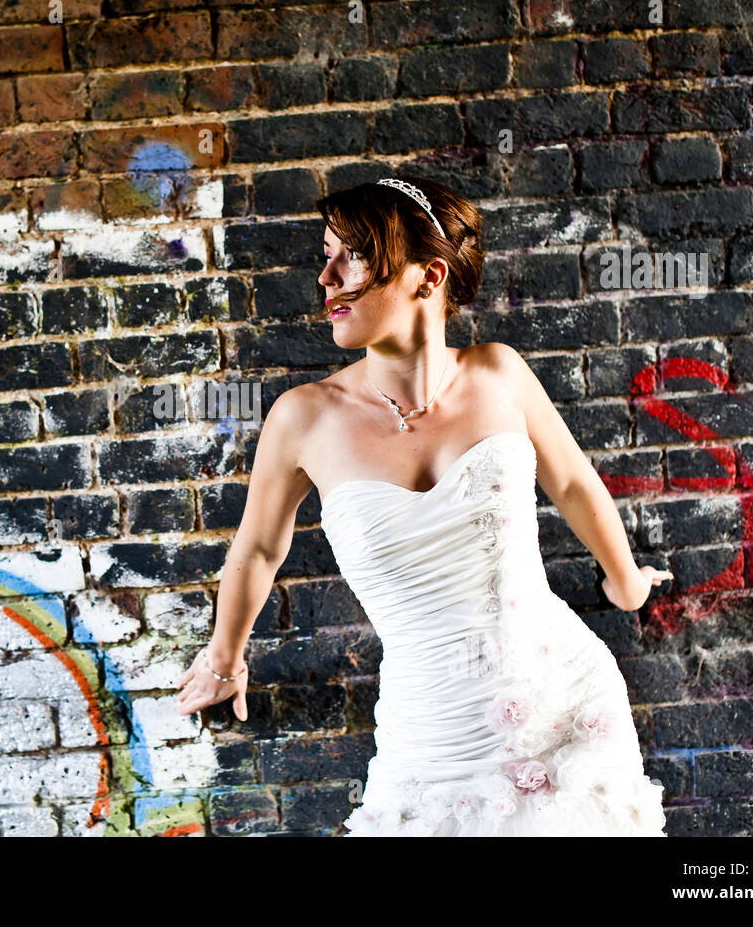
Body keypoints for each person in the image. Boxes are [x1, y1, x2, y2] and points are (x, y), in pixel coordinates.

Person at [176, 174, 673, 836]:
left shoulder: (499, 374)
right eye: (325, 254)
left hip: (567, 706)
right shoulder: (305, 419)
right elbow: (260, 548)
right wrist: (225, 658)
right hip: (434, 743)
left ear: (428, 276)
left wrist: (628, 581)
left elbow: (576, 483)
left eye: (350, 255)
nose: (325, 277)